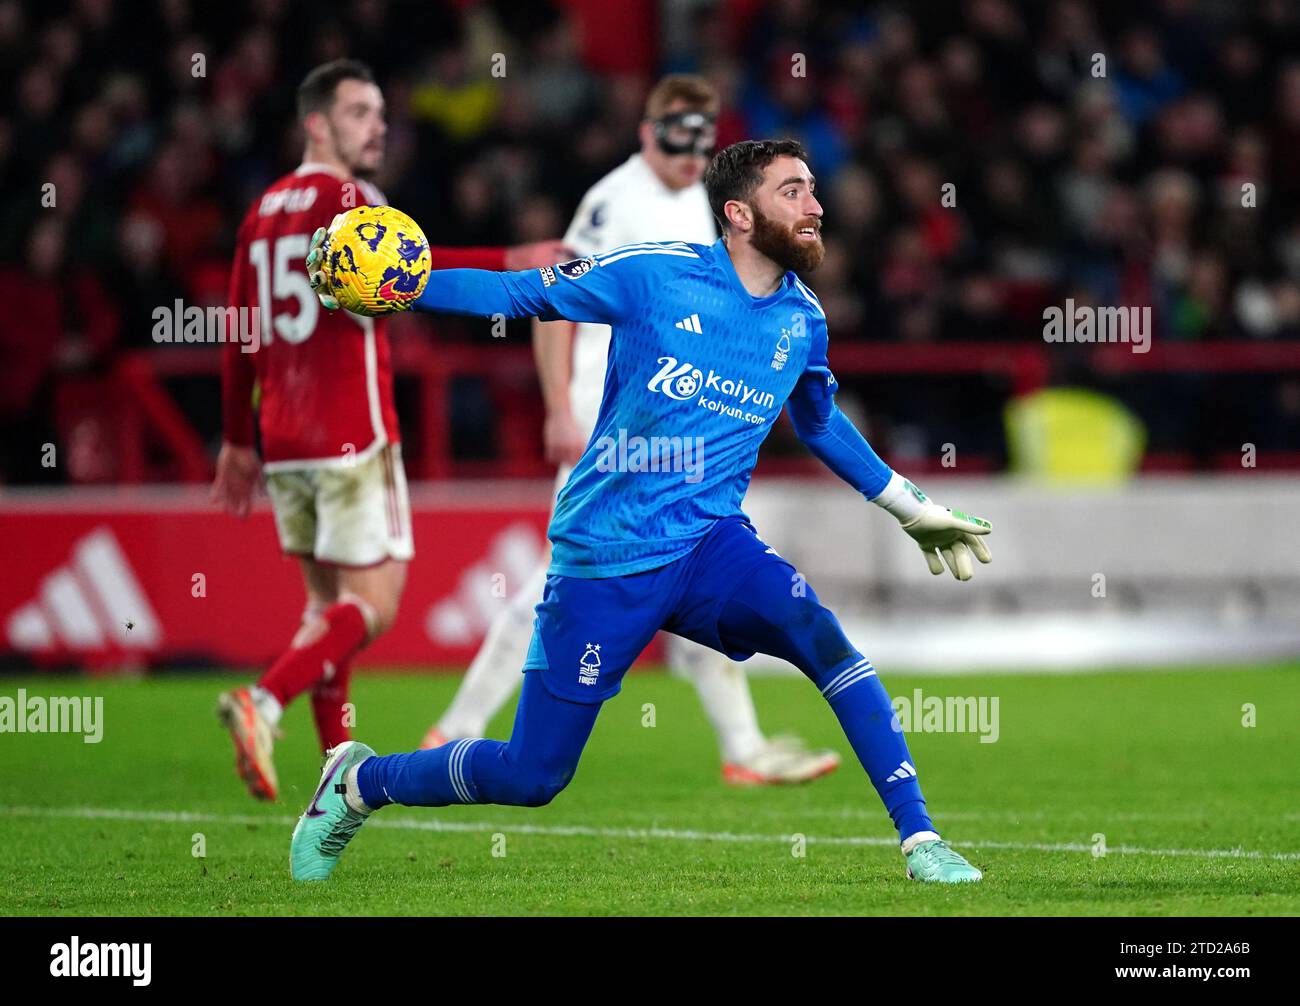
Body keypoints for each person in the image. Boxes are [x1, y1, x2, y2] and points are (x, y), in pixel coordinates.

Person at [292, 139, 992, 884]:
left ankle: (922, 841)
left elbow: (817, 421)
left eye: (813, 190)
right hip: (606, 552)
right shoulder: (653, 274)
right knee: (534, 776)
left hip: (709, 545)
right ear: (740, 214)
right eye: (793, 192)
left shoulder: (802, 320)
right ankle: (361, 783)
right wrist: (408, 283)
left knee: (820, 637)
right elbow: (522, 294)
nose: (817, 207)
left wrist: (907, 505)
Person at [420, 74, 839, 786]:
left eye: (701, 135)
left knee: (695, 561)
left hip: (674, 422)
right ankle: (454, 731)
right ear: (647, 132)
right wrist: (558, 402)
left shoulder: (700, 203)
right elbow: (553, 291)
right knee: (561, 589)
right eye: (675, 133)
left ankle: (742, 746)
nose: (688, 149)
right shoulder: (616, 200)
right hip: (612, 425)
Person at [212, 59, 567, 801]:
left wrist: (237, 439)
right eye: (360, 113)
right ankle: (264, 700)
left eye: (380, 112)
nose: (378, 127)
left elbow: (238, 330)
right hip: (350, 427)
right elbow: (410, 273)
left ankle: (335, 784)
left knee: (325, 614)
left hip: (281, 434)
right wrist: (513, 260)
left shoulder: (261, 210)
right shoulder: (352, 199)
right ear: (317, 123)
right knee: (371, 608)